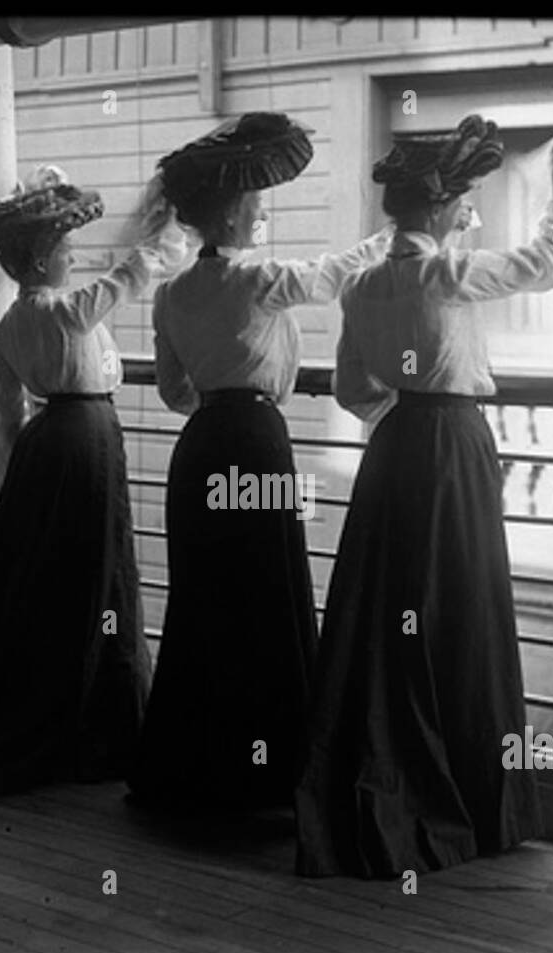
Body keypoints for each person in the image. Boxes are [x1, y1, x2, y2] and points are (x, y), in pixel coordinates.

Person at [294, 117, 553, 877]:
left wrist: (404, 417)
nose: (474, 214)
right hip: (454, 450)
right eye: (466, 202)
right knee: (463, 607)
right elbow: (550, 261)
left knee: (392, 616)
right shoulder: (447, 274)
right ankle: (472, 794)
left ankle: (394, 778)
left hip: (395, 453)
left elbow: (358, 388)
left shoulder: (363, 285)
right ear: (441, 208)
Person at [126, 112, 392, 812]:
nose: (261, 214)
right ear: (234, 216)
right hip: (254, 446)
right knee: (264, 600)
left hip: (203, 447)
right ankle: (264, 778)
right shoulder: (257, 279)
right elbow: (335, 275)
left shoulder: (172, 292)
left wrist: (225, 391)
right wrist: (400, 234)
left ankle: (195, 769)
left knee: (205, 604)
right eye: (255, 205)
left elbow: (175, 391)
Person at [0, 166, 182, 795]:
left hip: (45, 452)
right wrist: (173, 225)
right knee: (99, 574)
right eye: (66, 248)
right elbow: (135, 274)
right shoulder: (71, 311)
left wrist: (7, 502)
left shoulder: (6, 328)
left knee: (57, 582)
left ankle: (62, 712)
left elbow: (6, 420)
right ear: (41, 259)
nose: (75, 256)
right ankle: (99, 724)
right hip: (88, 446)